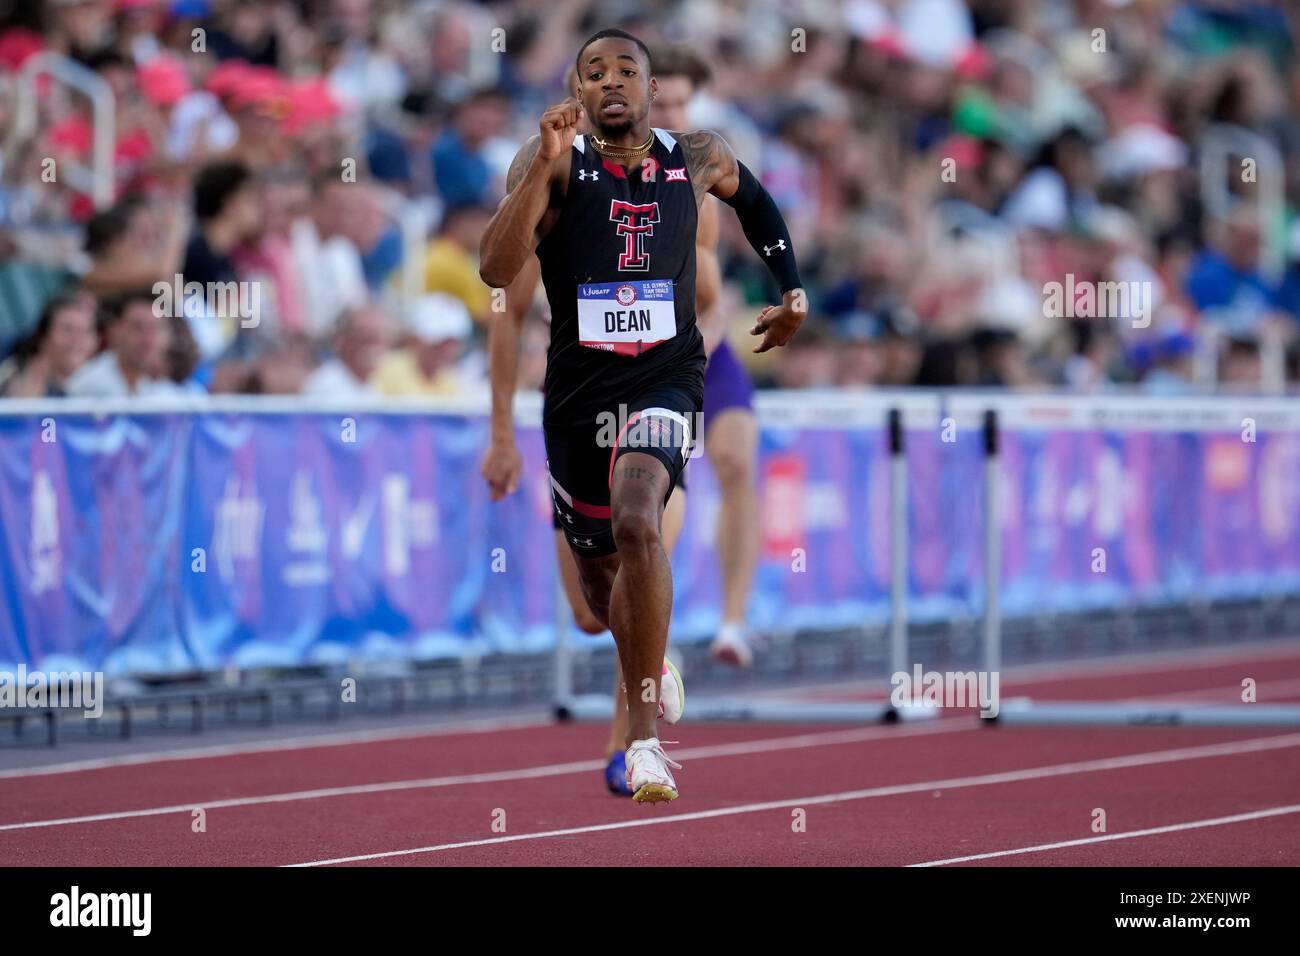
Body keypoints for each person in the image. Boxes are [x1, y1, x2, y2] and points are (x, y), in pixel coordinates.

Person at [478, 29, 806, 803]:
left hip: (666, 378)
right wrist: (539, 169)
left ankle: (647, 745)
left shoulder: (695, 155)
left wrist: (791, 291)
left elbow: (758, 205)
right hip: (576, 395)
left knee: (638, 520)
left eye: (628, 70)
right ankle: (648, 655)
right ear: (577, 91)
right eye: (595, 73)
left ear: (653, 90)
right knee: (598, 600)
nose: (613, 81)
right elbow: (495, 270)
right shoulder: (551, 160)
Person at [649, 44, 760, 667]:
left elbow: (715, 298)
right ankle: (649, 636)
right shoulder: (590, 170)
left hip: (702, 354)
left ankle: (733, 622)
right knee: (658, 498)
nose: (673, 114)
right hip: (632, 361)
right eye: (661, 103)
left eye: (683, 103)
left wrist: (701, 344)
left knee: (738, 462)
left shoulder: (701, 177)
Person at [65, 289, 180, 398]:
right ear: (114, 331)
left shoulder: (159, 387)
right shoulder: (91, 387)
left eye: (156, 328)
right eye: (138, 327)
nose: (148, 339)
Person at [0, 292, 98, 397]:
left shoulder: (91, 383)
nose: (78, 340)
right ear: (43, 336)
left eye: (86, 331)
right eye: (67, 330)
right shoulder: (15, 378)